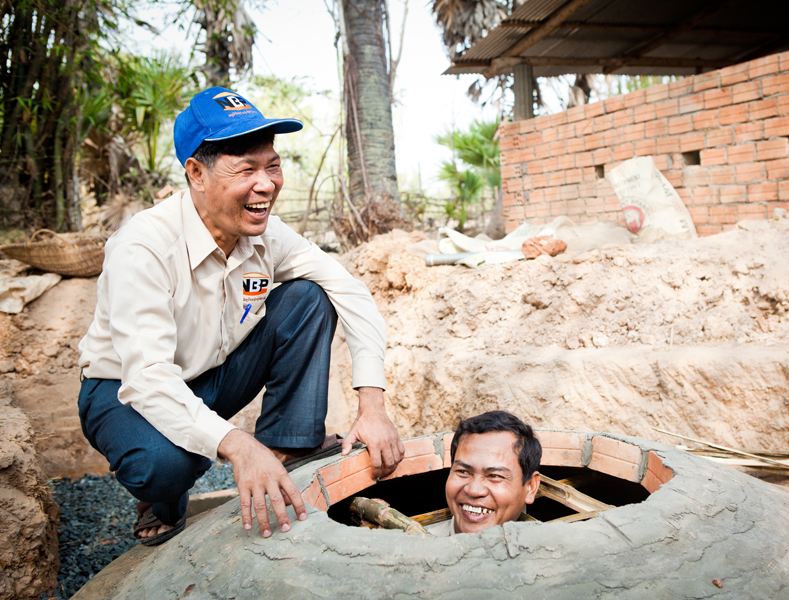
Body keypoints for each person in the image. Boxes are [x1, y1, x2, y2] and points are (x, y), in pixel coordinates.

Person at [77, 86, 405, 547]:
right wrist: (239, 446)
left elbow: (348, 288)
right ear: (196, 173)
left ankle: (287, 445)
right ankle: (163, 499)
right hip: (124, 390)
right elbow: (148, 377)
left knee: (310, 295)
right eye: (246, 169)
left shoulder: (266, 233)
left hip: (214, 374)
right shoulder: (143, 247)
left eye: (272, 165)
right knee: (165, 466)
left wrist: (373, 405)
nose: (266, 183)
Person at [429, 411, 541, 536]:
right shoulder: (418, 549)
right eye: (463, 471)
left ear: (531, 487)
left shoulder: (551, 551)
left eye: (494, 476)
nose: (474, 491)